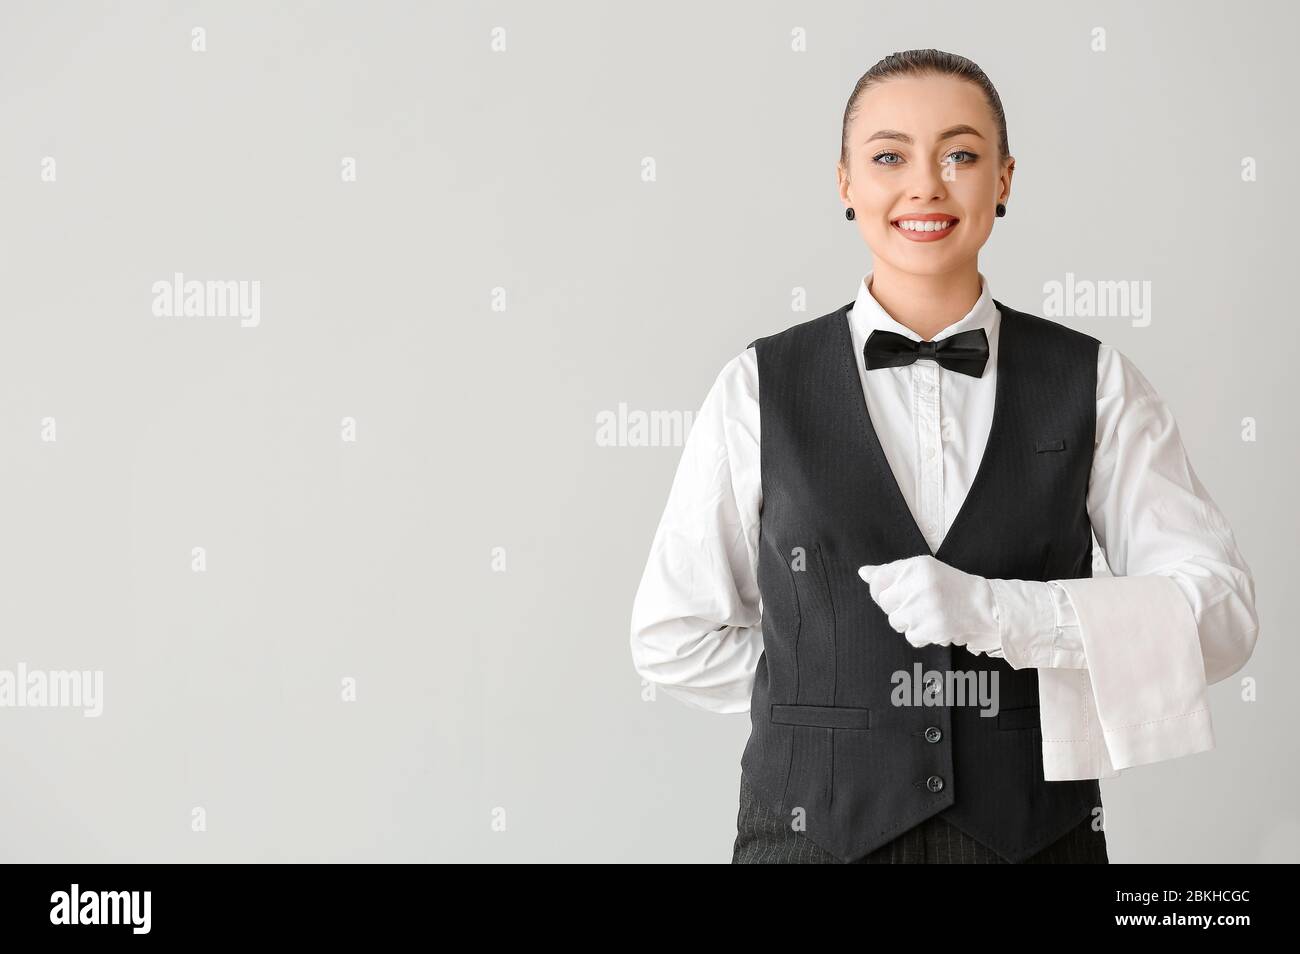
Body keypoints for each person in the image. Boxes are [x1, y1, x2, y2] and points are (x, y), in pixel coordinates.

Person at [628, 49, 1259, 864]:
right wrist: (837, 679)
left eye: (961, 155)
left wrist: (1009, 620)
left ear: (1003, 178)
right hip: (809, 842)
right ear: (845, 183)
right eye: (889, 156)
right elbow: (672, 632)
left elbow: (1221, 615)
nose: (925, 185)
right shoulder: (757, 384)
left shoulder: (1095, 380)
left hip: (1039, 843)